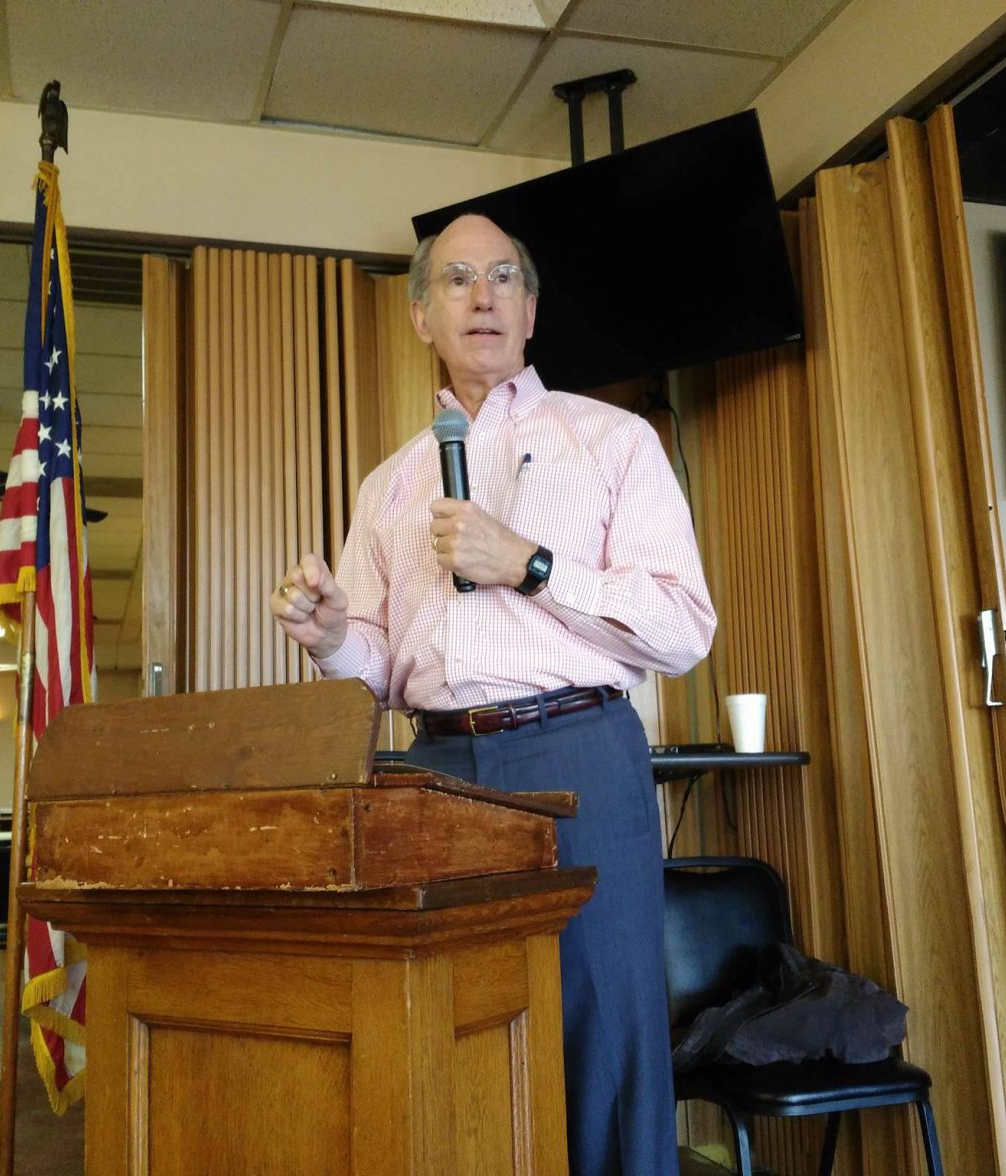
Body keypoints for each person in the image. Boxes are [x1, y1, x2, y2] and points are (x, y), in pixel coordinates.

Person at [269, 213, 715, 1176]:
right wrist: (333, 635)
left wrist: (530, 564)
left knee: (606, 1035)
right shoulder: (387, 486)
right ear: (421, 314)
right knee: (453, 1029)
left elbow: (684, 628)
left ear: (531, 310)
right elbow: (380, 668)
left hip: (578, 754)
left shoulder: (614, 440)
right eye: (459, 278)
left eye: (504, 277)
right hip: (434, 770)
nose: (483, 296)